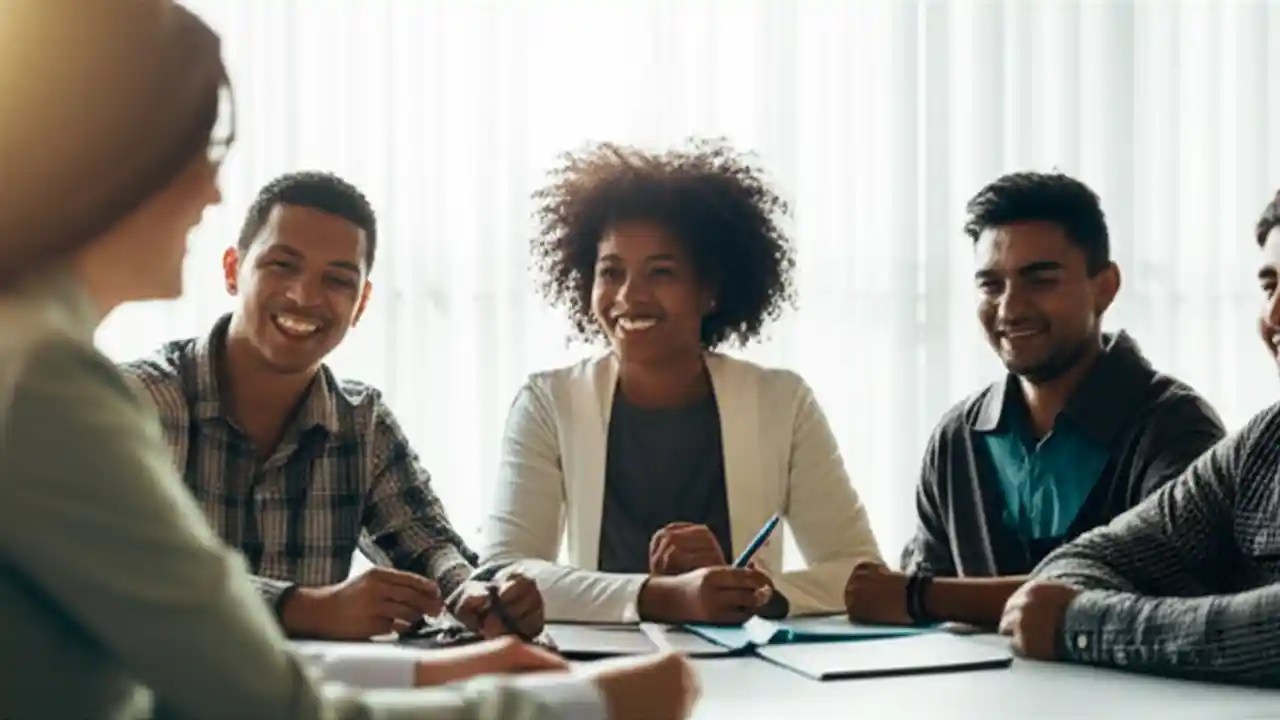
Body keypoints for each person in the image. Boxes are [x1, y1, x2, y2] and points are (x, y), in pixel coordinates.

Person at [0, 2, 697, 718]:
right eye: (199, 153)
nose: (211, 191)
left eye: (338, 278)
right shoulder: (54, 385)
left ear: (361, 301)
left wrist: (454, 636)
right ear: (115, 155)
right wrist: (584, 707)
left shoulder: (30, 359)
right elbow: (267, 705)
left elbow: (212, 675)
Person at [122, 171, 543, 642]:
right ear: (231, 270)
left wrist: (481, 594)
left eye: (337, 280)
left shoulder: (361, 422)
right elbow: (132, 565)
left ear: (360, 303)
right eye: (282, 265)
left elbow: (428, 545)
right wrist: (306, 608)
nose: (305, 296)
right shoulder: (139, 400)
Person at [481, 139, 883, 624]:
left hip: (753, 675)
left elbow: (862, 575)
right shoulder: (549, 402)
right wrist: (668, 596)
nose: (630, 295)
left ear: (709, 289)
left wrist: (749, 591)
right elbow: (505, 572)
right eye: (611, 272)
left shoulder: (782, 402)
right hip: (599, 670)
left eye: (662, 272)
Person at [845, 172, 1224, 628]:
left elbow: (1155, 600)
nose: (1010, 308)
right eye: (991, 285)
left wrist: (919, 596)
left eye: (1040, 280)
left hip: (1134, 701)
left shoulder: (1176, 428)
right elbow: (928, 625)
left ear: (1105, 286)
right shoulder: (956, 440)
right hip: (983, 700)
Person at [996, 189, 1280, 687]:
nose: (1274, 317)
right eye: (1270, 286)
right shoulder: (1263, 443)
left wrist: (1080, 625)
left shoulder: (1175, 420)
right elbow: (1073, 566)